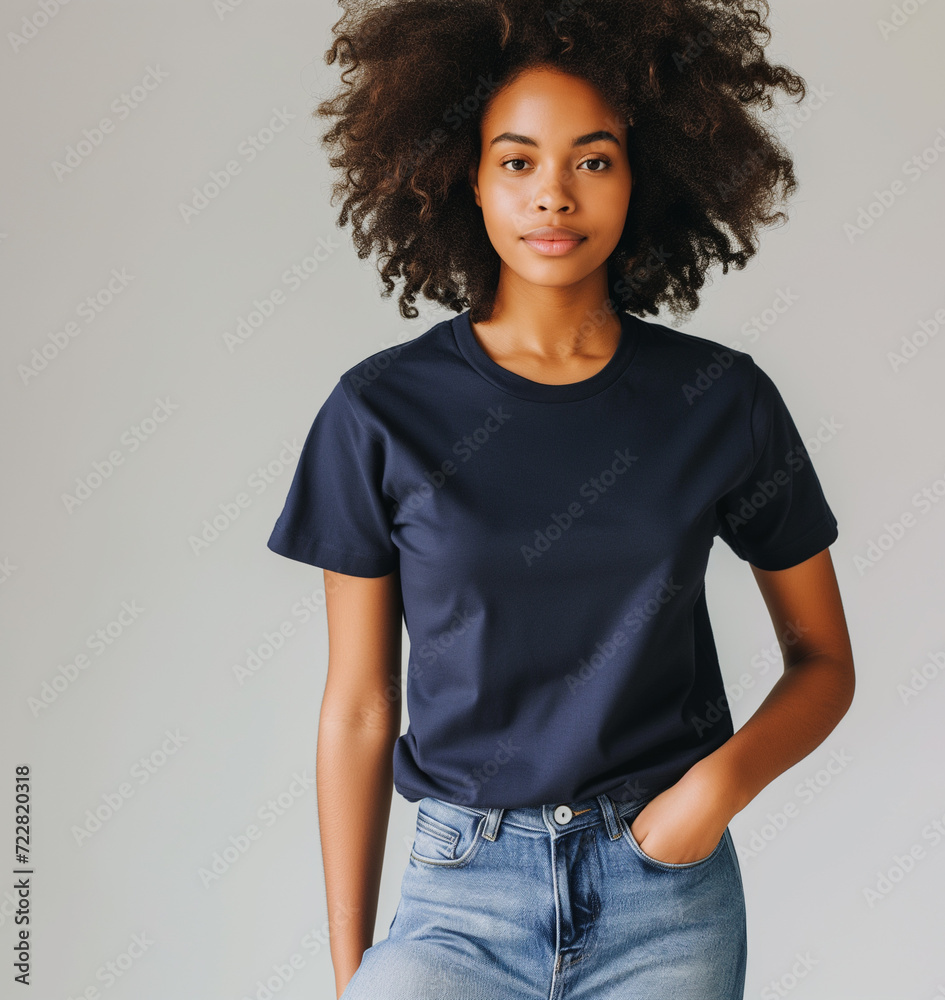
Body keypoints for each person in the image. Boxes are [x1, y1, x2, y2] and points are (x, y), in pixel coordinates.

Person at [266, 1, 855, 997]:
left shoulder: (719, 400)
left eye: (591, 160)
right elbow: (362, 705)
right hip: (458, 892)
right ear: (465, 173)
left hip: (662, 899)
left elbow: (823, 660)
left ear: (642, 173)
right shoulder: (380, 414)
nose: (554, 197)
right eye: (517, 161)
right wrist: (348, 967)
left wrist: (710, 791)